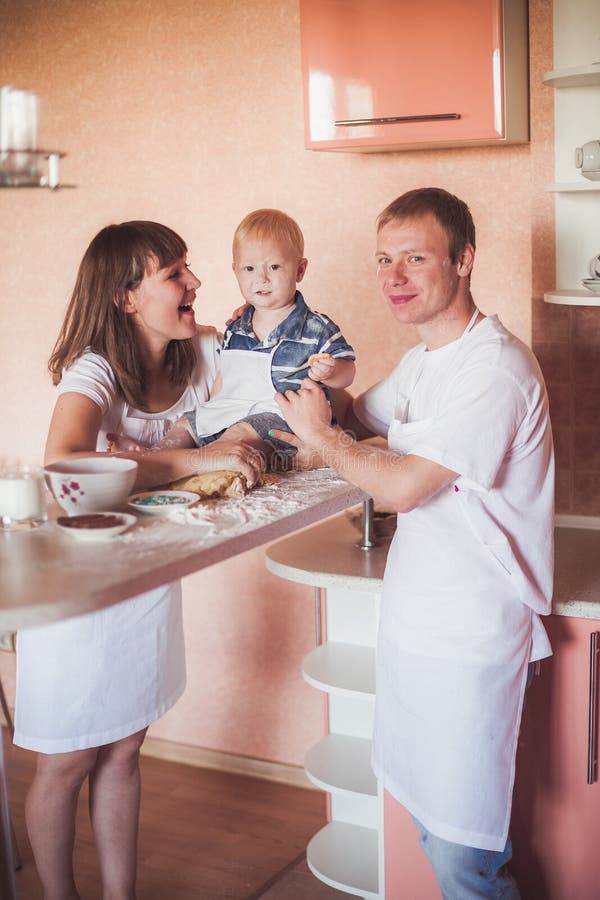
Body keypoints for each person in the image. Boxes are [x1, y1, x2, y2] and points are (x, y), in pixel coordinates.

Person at [273, 188, 555, 899]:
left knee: (466, 856)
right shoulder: (425, 360)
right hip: (418, 626)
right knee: (432, 830)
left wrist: (326, 438)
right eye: (384, 260)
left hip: (471, 638)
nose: (394, 276)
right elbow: (360, 416)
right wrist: (318, 378)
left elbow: (400, 487)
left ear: (462, 260)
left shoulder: (494, 368)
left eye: (415, 258)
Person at [13, 221, 263, 900]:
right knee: (66, 764)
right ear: (127, 297)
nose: (196, 283)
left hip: (146, 577)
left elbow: (283, 364)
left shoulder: (202, 353)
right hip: (77, 583)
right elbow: (64, 458)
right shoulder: (93, 367)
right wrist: (196, 457)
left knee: (125, 749)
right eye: (176, 273)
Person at [118, 209, 355, 463]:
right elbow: (226, 376)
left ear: (299, 270)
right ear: (236, 271)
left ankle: (204, 460)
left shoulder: (315, 327)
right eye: (249, 268)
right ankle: (156, 456)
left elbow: (348, 372)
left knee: (242, 433)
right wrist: (212, 409)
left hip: (282, 417)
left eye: (274, 267)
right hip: (233, 408)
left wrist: (331, 372)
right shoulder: (236, 327)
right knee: (187, 423)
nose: (261, 278)